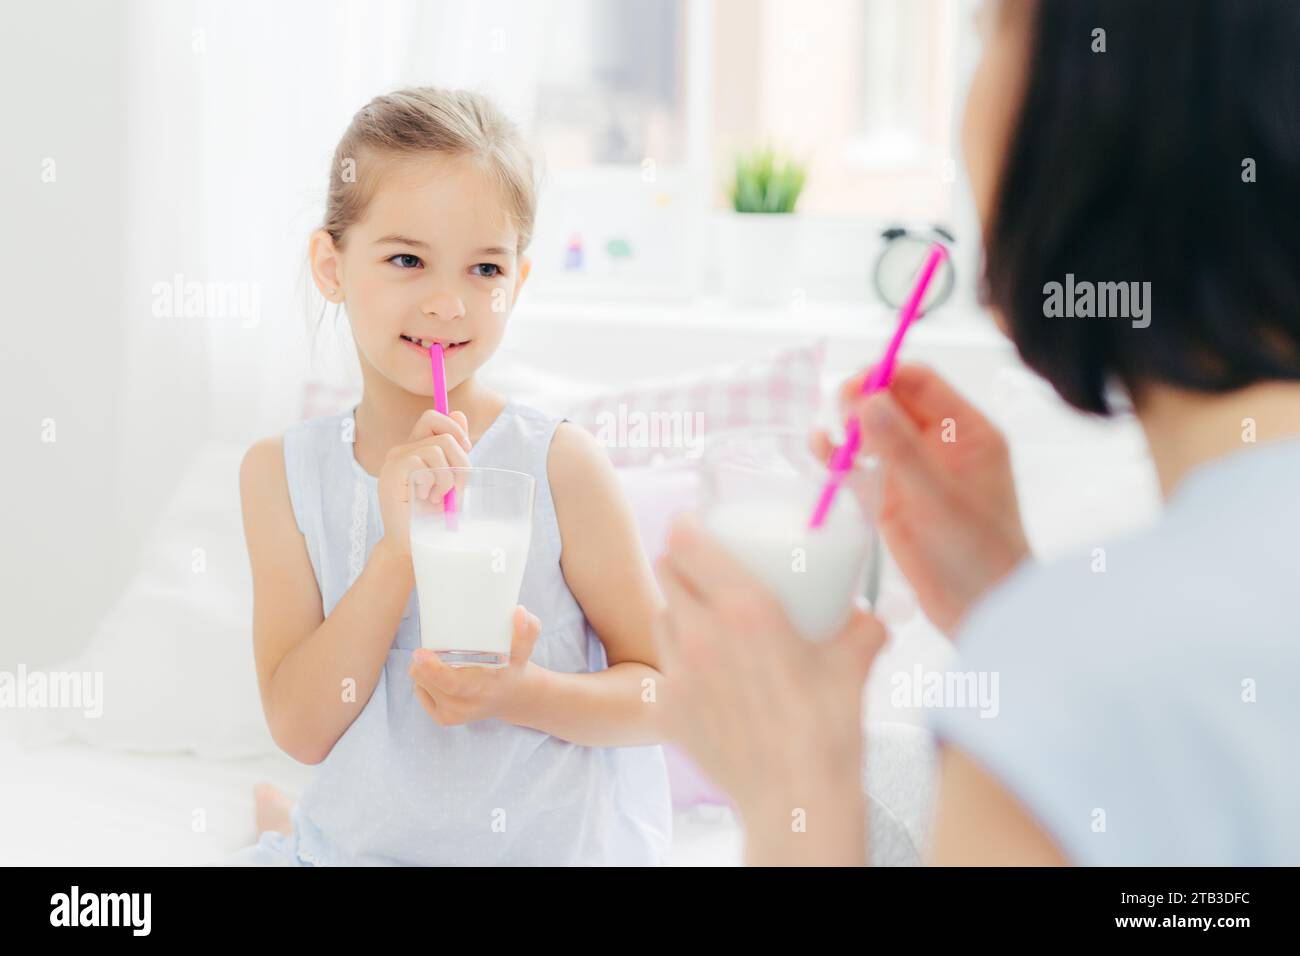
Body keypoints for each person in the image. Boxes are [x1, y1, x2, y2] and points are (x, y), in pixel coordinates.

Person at [655, 0, 1300, 865]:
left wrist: (794, 797)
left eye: (989, 31)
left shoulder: (1080, 680)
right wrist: (1007, 602)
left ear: (1092, 91)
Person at [232, 88, 671, 865]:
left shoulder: (559, 466)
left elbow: (664, 695)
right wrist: (399, 552)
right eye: (406, 259)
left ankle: (278, 821)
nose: (447, 303)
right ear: (331, 266)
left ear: (517, 281)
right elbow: (302, 728)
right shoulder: (280, 476)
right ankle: (283, 826)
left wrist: (524, 695)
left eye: (484, 268)